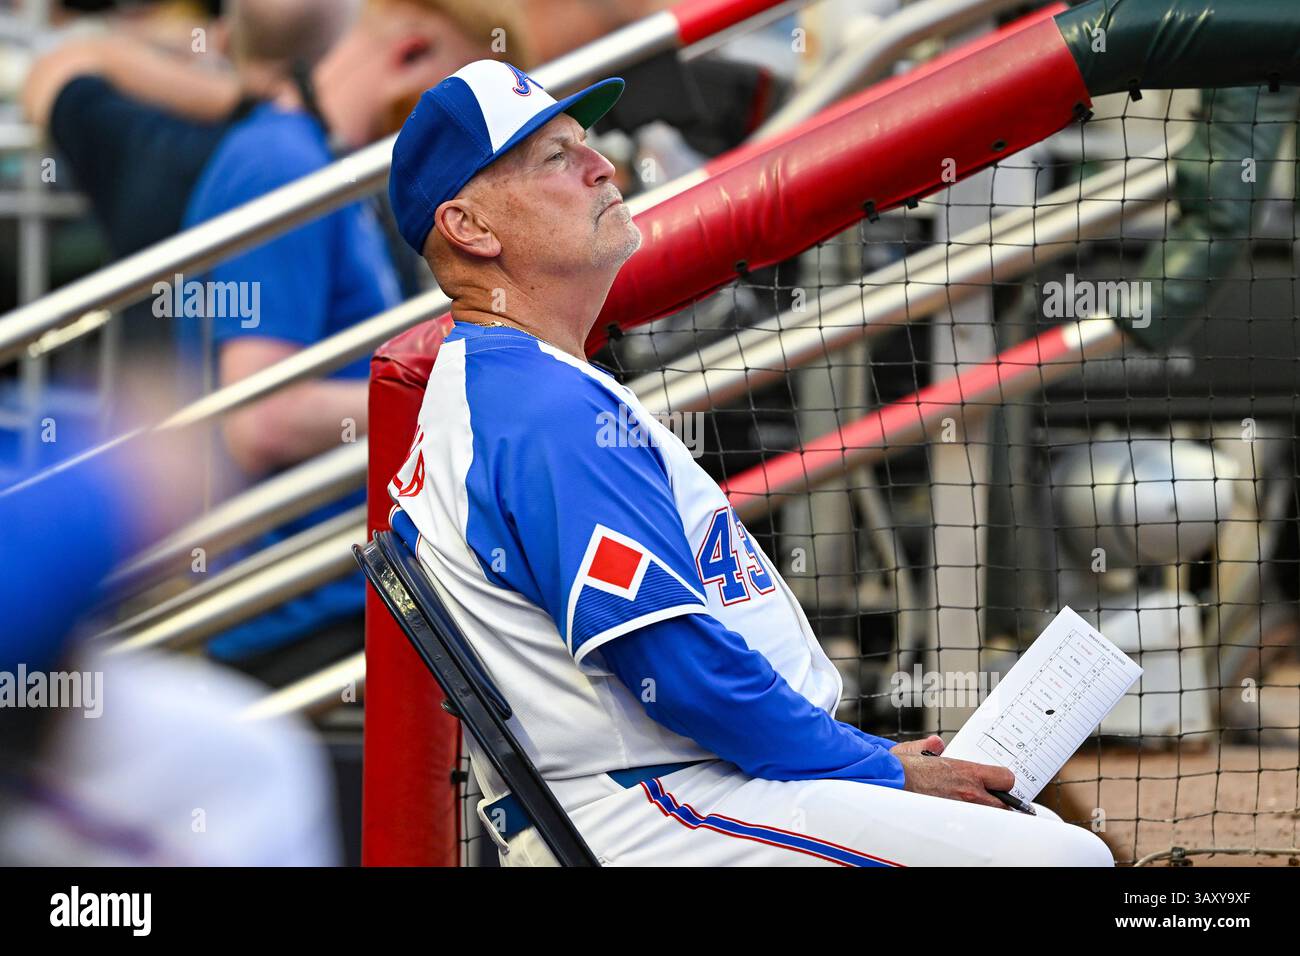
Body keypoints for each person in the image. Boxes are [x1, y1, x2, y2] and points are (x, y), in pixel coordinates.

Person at [382, 60, 1116, 866]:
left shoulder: (515, 385)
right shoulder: (540, 408)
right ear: (471, 228)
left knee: (1040, 837)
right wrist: (876, 768)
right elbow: (680, 668)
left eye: (584, 144)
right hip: (657, 803)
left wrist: (863, 762)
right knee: (1057, 862)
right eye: (555, 158)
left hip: (687, 783)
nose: (602, 166)